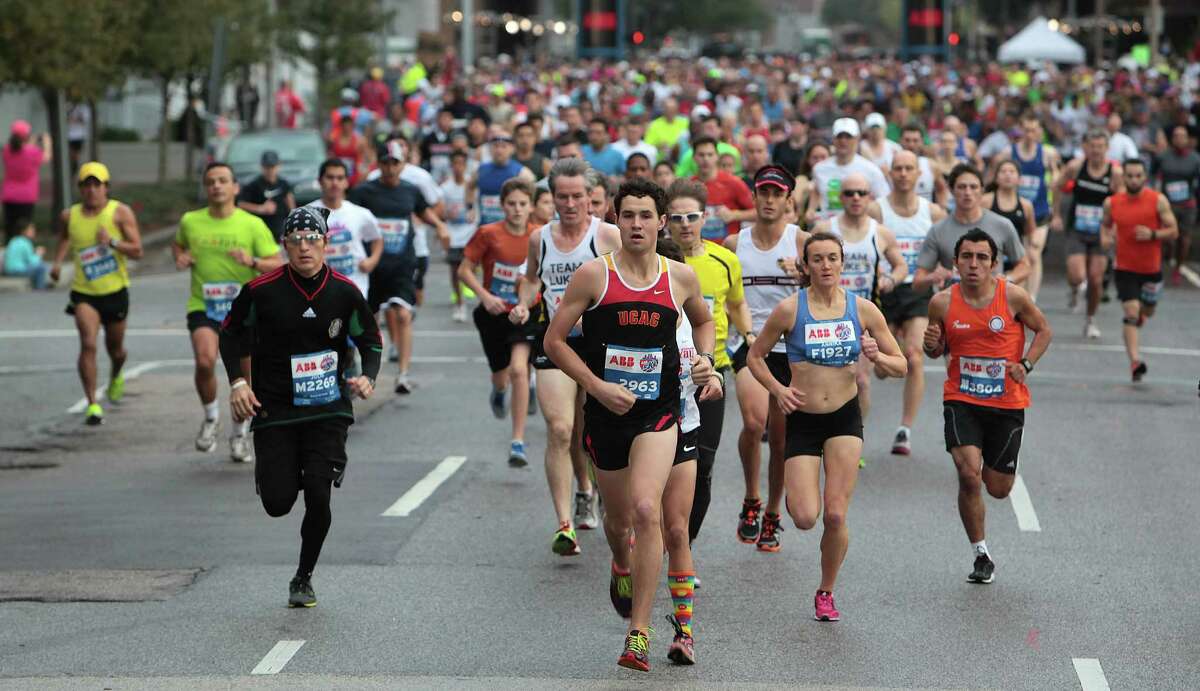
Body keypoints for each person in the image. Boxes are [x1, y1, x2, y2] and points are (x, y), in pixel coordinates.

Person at [543, 179, 715, 672]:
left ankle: (638, 632)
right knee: (620, 526)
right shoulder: (593, 277)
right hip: (605, 416)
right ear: (616, 220)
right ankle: (621, 562)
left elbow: (703, 321)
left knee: (648, 509)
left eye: (646, 216)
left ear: (661, 222)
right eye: (629, 215)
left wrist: (705, 360)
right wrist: (595, 387)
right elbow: (554, 342)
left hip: (658, 415)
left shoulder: (679, 278)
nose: (637, 224)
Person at [220, 206, 382, 608]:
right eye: (296, 241)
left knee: (319, 493)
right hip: (275, 408)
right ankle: (284, 471)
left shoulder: (345, 292)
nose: (305, 248)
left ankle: (304, 577)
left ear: (326, 244)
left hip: (328, 409)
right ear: (285, 246)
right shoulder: (262, 291)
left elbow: (371, 342)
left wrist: (369, 376)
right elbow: (229, 335)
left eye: (313, 240)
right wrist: (238, 382)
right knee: (277, 503)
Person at [749, 231, 906, 620]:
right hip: (802, 419)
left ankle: (826, 590)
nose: (825, 266)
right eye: (817, 259)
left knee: (836, 514)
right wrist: (778, 388)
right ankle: (792, 498)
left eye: (832, 258)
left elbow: (900, 365)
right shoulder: (789, 310)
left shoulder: (863, 310)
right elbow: (755, 356)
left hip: (843, 418)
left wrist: (878, 357)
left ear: (842, 263)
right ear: (805, 266)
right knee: (805, 517)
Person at [923, 229, 1052, 584]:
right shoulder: (942, 303)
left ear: (994, 264)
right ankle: (981, 552)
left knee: (998, 488)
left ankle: (1001, 464)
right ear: (956, 262)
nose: (974, 264)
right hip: (961, 399)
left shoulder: (1012, 296)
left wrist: (1025, 365)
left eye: (982, 257)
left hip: (1006, 403)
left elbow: (1043, 330)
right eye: (967, 257)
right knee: (968, 475)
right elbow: (935, 350)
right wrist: (931, 344)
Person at [509, 157, 620, 556]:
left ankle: (593, 490)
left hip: (602, 347)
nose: (571, 204)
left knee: (592, 434)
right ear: (551, 198)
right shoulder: (540, 237)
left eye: (579, 196)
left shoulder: (607, 236)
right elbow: (531, 278)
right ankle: (564, 523)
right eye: (562, 197)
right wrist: (524, 304)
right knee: (559, 428)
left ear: (591, 198)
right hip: (556, 341)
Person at [174, 162, 283, 459]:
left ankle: (239, 434)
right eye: (211, 182)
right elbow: (179, 246)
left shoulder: (251, 224)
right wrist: (182, 257)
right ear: (206, 188)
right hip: (205, 306)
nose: (217, 186)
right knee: (205, 360)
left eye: (223, 181)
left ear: (235, 187)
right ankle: (211, 417)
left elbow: (277, 263)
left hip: (243, 311)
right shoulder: (190, 221)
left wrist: (252, 262)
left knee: (244, 378)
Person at [723, 165, 806, 553]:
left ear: (789, 200)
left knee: (782, 436)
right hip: (750, 346)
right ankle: (752, 498)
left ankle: (773, 511)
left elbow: (828, 286)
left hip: (791, 350)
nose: (770, 200)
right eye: (763, 193)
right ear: (753, 198)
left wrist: (804, 273)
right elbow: (719, 294)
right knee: (754, 423)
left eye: (777, 194)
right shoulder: (733, 243)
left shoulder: (801, 242)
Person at [666, 179, 752, 543]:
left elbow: (735, 304)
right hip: (658, 372)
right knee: (659, 465)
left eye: (692, 216)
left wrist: (748, 335)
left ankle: (682, 547)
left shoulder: (725, 260)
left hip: (707, 373)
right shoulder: (654, 261)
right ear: (664, 221)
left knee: (702, 465)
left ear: (705, 218)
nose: (685, 224)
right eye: (677, 217)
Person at [656, 234, 723, 666]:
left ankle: (684, 631)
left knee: (676, 530)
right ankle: (624, 573)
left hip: (682, 427)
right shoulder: (623, 309)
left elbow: (705, 368)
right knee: (632, 526)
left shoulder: (691, 318)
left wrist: (711, 374)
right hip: (629, 430)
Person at [811, 172, 907, 436]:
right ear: (841, 197)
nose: (856, 198)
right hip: (826, 314)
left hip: (863, 317)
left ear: (869, 197)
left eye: (861, 193)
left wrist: (890, 279)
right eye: (850, 193)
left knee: (862, 380)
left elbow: (901, 265)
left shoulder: (881, 233)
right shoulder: (824, 229)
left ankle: (853, 437)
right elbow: (804, 263)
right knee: (826, 380)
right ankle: (825, 432)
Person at [49, 162, 143, 424]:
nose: (91, 190)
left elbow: (138, 250)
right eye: (86, 185)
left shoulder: (120, 213)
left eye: (96, 185)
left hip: (115, 291)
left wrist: (112, 242)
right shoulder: (70, 215)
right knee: (88, 343)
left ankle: (116, 372)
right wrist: (57, 263)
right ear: (80, 189)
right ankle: (92, 404)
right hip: (84, 292)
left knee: (116, 350)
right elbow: (65, 238)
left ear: (106, 188)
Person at [867, 151, 947, 455]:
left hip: (917, 291)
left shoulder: (934, 213)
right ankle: (889, 357)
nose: (902, 174)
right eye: (897, 168)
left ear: (918, 175)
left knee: (914, 357)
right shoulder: (877, 210)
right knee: (883, 366)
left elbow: (946, 249)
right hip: (885, 292)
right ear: (891, 174)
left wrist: (941, 272)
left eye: (908, 169)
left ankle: (904, 429)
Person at [349, 141, 441, 394]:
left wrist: (440, 227)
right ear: (378, 165)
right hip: (373, 267)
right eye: (386, 163)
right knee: (368, 321)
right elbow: (347, 217)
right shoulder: (363, 192)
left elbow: (424, 212)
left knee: (402, 314)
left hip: (402, 264)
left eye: (395, 163)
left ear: (403, 165)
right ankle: (364, 369)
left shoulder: (410, 190)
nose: (390, 168)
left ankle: (403, 373)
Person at [459, 179, 540, 466]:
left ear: (531, 206)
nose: (517, 209)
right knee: (501, 373)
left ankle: (517, 441)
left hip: (524, 313)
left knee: (520, 370)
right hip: (493, 313)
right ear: (502, 205)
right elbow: (464, 269)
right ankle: (499, 390)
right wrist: (484, 295)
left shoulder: (538, 236)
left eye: (522, 204)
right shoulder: (488, 233)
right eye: (511, 204)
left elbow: (538, 276)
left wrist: (524, 304)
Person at [1101, 159, 1178, 382]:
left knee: (1148, 310)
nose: (1134, 179)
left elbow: (1173, 230)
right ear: (1123, 178)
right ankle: (1135, 361)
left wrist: (1153, 234)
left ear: (1145, 177)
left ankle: (1140, 317)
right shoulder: (1112, 202)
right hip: (1125, 268)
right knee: (1131, 312)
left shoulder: (1157, 200)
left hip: (1151, 268)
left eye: (1138, 175)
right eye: (1130, 176)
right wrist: (1106, 239)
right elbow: (1105, 226)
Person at [913, 164, 1030, 292]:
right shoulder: (938, 230)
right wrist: (932, 277)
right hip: (954, 305)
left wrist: (1007, 279)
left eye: (973, 187)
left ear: (982, 190)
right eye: (962, 187)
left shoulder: (1002, 225)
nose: (968, 193)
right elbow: (917, 282)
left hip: (993, 305)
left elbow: (1024, 265)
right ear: (951, 190)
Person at [1053, 129, 1122, 339]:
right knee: (1077, 275)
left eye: (1100, 147)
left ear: (1107, 149)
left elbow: (1121, 204)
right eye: (1092, 146)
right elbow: (1056, 186)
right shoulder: (1076, 166)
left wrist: (1113, 231)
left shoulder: (1115, 173)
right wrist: (1056, 214)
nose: (1096, 151)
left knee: (1095, 279)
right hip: (1077, 228)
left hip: (1101, 230)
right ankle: (1074, 289)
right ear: (1086, 147)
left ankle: (1091, 319)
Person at [990, 114, 1058, 302]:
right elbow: (992, 176)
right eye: (1026, 130)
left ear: (1039, 132)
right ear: (1021, 130)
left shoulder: (1047, 153)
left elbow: (1057, 176)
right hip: (1015, 212)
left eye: (1034, 130)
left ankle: (1032, 296)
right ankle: (1013, 291)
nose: (1030, 134)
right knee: (1019, 253)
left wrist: (1055, 182)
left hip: (1040, 211)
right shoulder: (1007, 153)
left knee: (1034, 252)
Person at [307, 158, 381, 299]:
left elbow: (377, 238)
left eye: (340, 178)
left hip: (355, 286)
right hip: (320, 288)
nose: (335, 183)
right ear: (320, 181)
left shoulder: (361, 213)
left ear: (346, 182)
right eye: (330, 177)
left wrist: (372, 260)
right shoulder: (308, 213)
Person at [806, 118, 890, 223]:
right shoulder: (819, 169)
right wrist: (811, 209)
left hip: (858, 229)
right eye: (839, 136)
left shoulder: (871, 170)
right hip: (829, 230)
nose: (843, 141)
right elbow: (817, 189)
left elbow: (884, 201)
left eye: (848, 137)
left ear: (857, 139)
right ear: (833, 139)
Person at [1157, 124, 1200, 285]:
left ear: (1187, 139)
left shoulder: (1195, 159)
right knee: (1167, 238)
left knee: (1184, 239)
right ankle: (1165, 259)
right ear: (1172, 139)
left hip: (1187, 203)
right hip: (1167, 203)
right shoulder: (1163, 157)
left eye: (1182, 136)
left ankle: (1178, 268)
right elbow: (1155, 174)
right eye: (1176, 136)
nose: (1179, 139)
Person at [467, 126, 534, 228]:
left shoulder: (522, 173)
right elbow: (469, 187)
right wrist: (470, 208)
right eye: (496, 146)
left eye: (503, 146)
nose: (499, 150)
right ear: (490, 148)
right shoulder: (480, 170)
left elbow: (533, 200)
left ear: (512, 149)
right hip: (485, 227)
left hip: (511, 228)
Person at [691, 136, 754, 242]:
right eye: (701, 155)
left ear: (717, 157)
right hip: (699, 250)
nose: (706, 159)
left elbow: (758, 212)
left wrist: (734, 215)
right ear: (694, 157)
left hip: (728, 249)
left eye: (710, 154)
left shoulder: (734, 182)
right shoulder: (689, 185)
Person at [981, 160, 1037, 273]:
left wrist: (1031, 250)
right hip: (989, 258)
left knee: (1012, 288)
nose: (1008, 175)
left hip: (1015, 257)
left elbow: (1029, 232)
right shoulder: (985, 201)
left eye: (1012, 171)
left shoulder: (1026, 205)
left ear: (1019, 179)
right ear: (996, 178)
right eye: (1003, 171)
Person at [442, 151, 476, 321]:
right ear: (451, 166)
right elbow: (440, 212)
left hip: (471, 234)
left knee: (471, 268)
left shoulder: (472, 185)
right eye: (455, 163)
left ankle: (475, 294)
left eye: (461, 163)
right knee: (455, 271)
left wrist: (474, 213)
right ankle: (460, 303)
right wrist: (447, 215)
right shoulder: (445, 188)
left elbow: (478, 205)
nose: (458, 167)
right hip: (454, 235)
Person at [3, 121, 51, 241]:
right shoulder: (33, 152)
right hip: (27, 197)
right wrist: (47, 142)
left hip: (9, 196)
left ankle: (10, 255)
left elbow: (21, 148)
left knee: (10, 230)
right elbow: (46, 157)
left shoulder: (6, 150)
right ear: (27, 136)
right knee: (25, 231)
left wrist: (31, 142)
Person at [237, 150, 295, 240]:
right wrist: (260, 208)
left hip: (279, 228)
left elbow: (290, 202)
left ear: (278, 166)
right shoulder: (253, 185)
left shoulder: (283, 184)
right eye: (267, 167)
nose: (270, 170)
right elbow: (240, 204)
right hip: (260, 229)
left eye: (273, 166)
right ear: (262, 167)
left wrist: (292, 219)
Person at [3, 221, 49, 289]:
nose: (34, 232)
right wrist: (39, 254)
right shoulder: (26, 242)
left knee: (37, 267)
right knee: (41, 267)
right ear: (23, 231)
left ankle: (39, 285)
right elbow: (32, 261)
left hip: (8, 270)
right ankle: (40, 288)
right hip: (17, 270)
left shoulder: (13, 240)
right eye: (31, 230)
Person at [327, 116, 368, 187]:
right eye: (344, 126)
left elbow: (365, 160)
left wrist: (364, 173)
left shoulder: (360, 141)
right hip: (339, 177)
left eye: (349, 126)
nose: (346, 128)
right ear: (341, 126)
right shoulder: (333, 140)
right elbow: (330, 157)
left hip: (355, 177)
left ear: (353, 126)